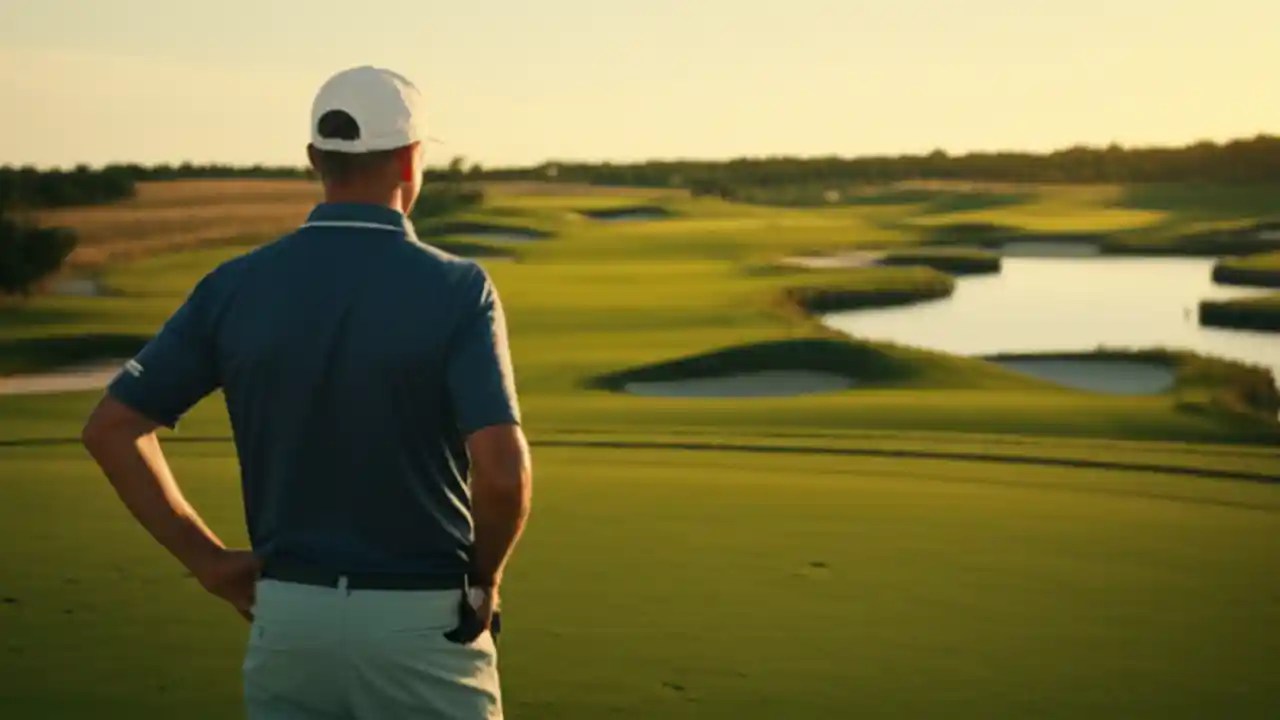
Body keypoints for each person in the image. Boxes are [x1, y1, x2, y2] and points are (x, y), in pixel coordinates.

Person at [82, 66, 531, 720]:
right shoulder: (460, 289)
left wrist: (209, 563)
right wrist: (485, 578)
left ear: (315, 159)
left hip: (288, 625)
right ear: (411, 159)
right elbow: (503, 474)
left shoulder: (234, 284)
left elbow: (111, 429)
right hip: (421, 622)